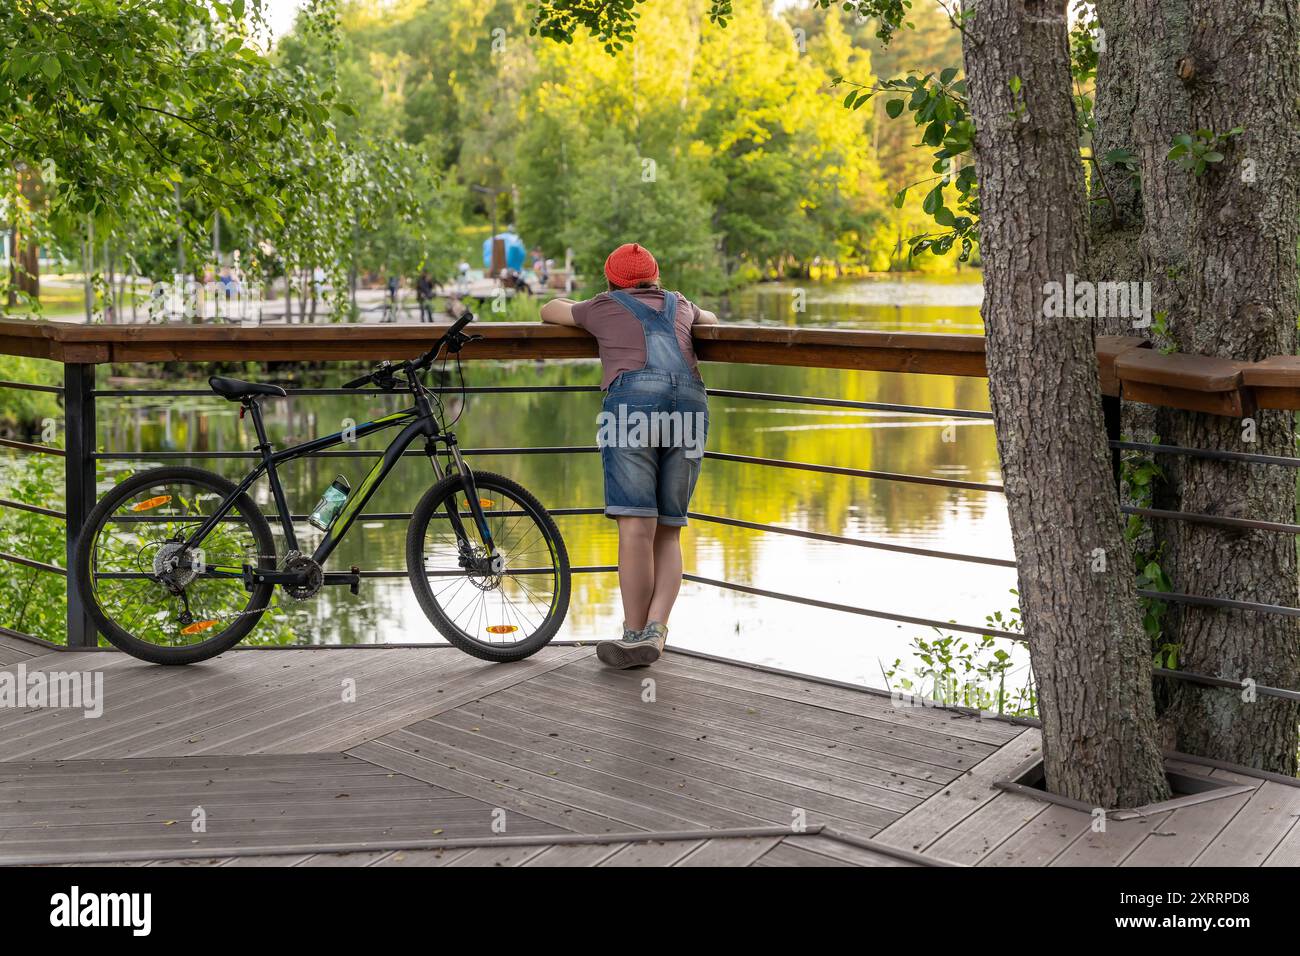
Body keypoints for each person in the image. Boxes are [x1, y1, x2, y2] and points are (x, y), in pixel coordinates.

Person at [540, 243, 718, 668]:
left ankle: (634, 633)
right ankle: (656, 630)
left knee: (636, 525)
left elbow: (551, 308)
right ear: (656, 278)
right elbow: (710, 320)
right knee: (669, 528)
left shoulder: (603, 307)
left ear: (611, 281)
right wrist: (696, 314)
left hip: (634, 408)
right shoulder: (682, 306)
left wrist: (583, 303)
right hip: (691, 407)